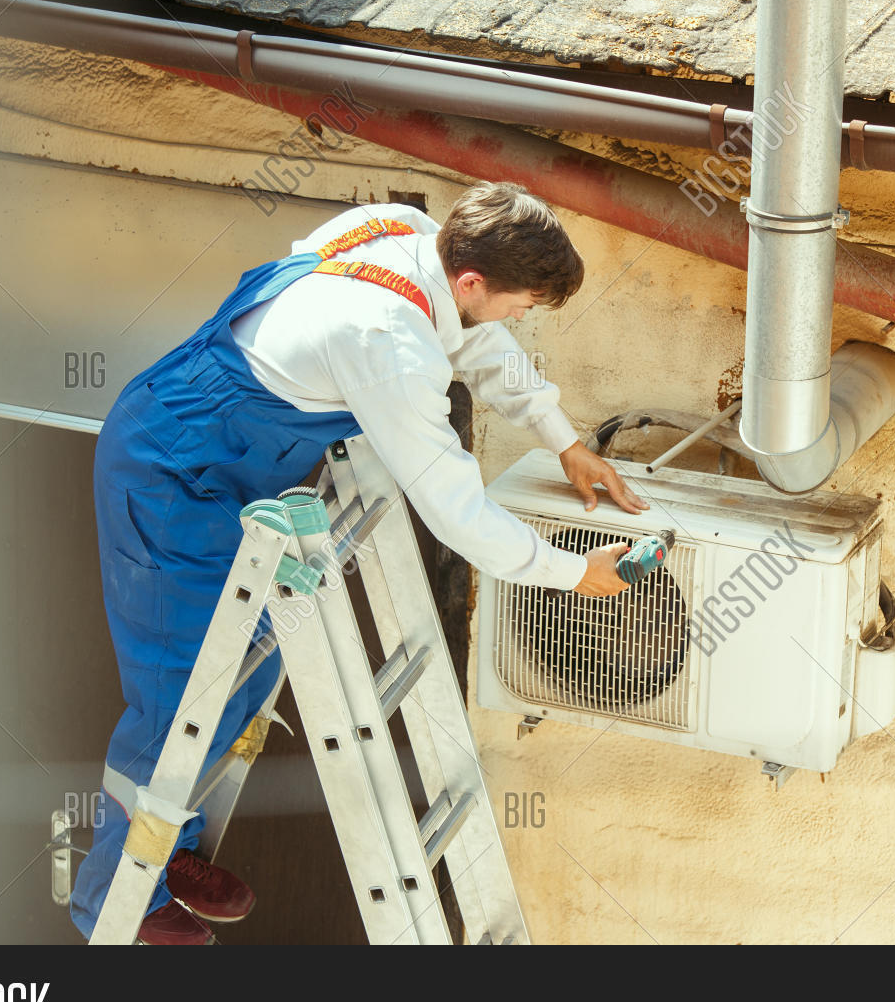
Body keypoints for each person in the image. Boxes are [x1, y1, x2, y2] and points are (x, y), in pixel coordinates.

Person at [71, 181, 647, 943]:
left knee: (243, 676)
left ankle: (170, 847)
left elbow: (480, 344)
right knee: (178, 698)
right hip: (168, 478)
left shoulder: (402, 232)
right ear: (473, 280)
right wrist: (573, 572)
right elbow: (457, 512)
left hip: (227, 468)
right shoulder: (388, 342)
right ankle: (115, 894)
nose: (521, 317)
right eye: (522, 303)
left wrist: (563, 440)